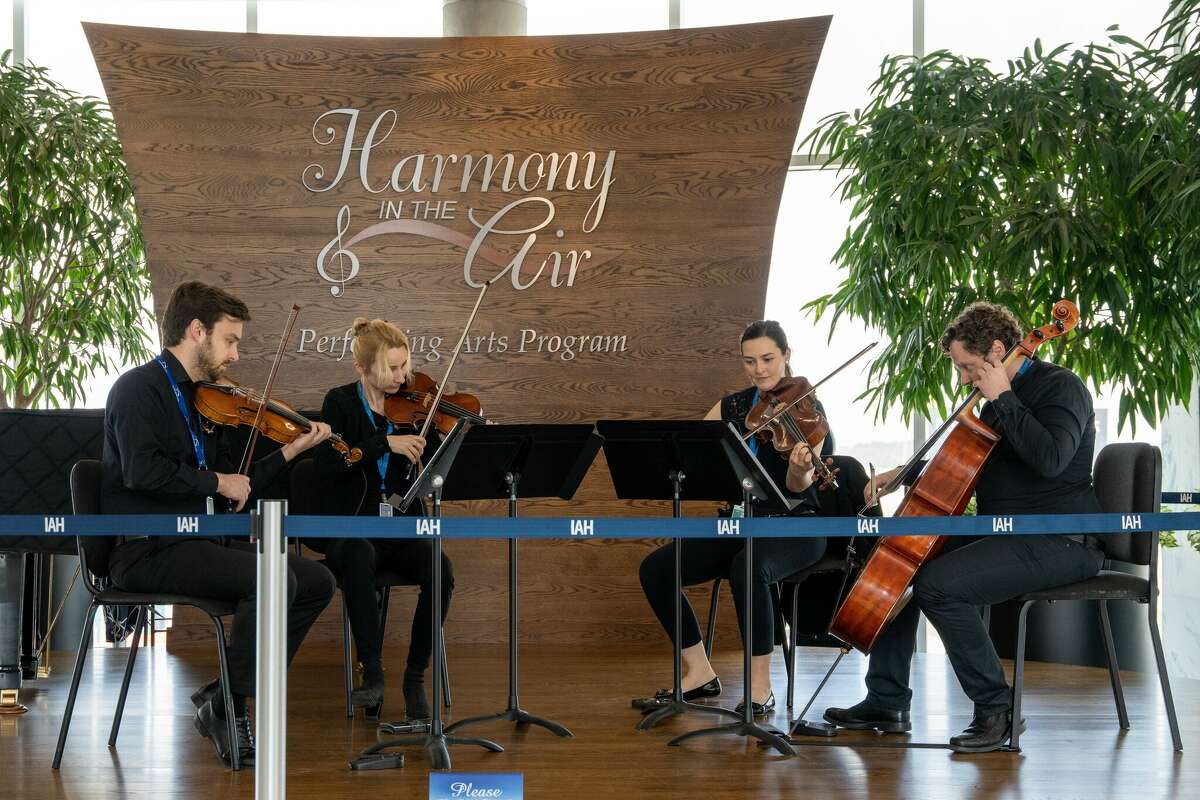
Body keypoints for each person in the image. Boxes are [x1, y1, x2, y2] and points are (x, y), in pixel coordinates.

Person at [823, 301, 1106, 753]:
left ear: (997, 351)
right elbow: (961, 464)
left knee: (939, 585)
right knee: (906, 552)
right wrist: (904, 474)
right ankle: (886, 699)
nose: (963, 380)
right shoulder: (992, 403)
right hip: (1006, 530)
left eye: (969, 367)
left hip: (1063, 538)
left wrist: (1004, 399)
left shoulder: (1061, 389)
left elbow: (1051, 461)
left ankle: (998, 711)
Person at [103, 281, 337, 767]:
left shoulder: (204, 400)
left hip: (201, 541)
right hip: (147, 549)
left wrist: (292, 450)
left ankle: (223, 695)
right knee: (272, 577)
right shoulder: (137, 389)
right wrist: (215, 482)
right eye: (230, 340)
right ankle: (232, 707)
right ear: (196, 331)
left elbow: (240, 483)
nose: (235, 354)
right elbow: (142, 472)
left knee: (316, 580)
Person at [633, 320, 831, 716]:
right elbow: (690, 447)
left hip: (797, 527)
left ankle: (760, 688)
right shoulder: (733, 407)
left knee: (749, 565)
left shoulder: (808, 411)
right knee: (657, 568)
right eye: (750, 361)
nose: (759, 370)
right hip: (740, 523)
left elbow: (799, 487)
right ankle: (698, 673)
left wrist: (798, 467)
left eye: (768, 359)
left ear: (787, 355)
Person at [309, 318, 453, 721]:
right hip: (352, 529)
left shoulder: (414, 407)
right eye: (391, 368)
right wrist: (382, 443)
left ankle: (414, 679)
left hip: (401, 529)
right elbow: (326, 461)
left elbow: (438, 472)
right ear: (362, 368)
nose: (401, 376)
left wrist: (452, 438)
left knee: (440, 569)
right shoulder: (339, 402)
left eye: (404, 365)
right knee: (356, 557)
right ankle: (372, 672)